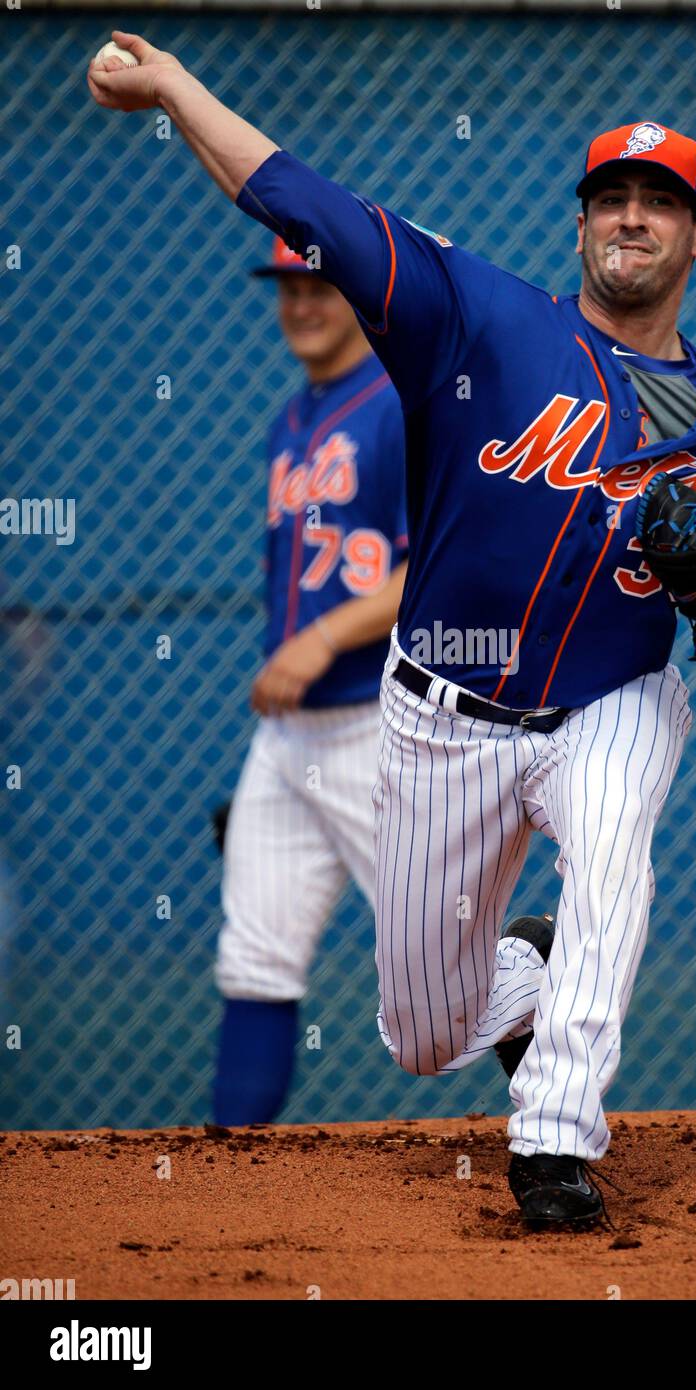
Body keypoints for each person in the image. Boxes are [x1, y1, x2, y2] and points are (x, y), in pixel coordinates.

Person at [89, 41, 696, 1225]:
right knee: (420, 1033)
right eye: (613, 198)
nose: (633, 217)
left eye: (662, 202)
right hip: (442, 711)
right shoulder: (476, 320)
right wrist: (177, 90)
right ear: (584, 223)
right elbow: (300, 199)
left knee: (615, 849)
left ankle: (552, 1141)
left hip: (610, 700)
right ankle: (523, 971)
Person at [212, 235, 408, 1125]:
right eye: (288, 287)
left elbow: (435, 568)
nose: (301, 305)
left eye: (320, 286)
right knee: (254, 956)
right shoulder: (291, 420)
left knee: (443, 970)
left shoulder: (399, 408)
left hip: (378, 728)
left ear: (360, 295)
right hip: (288, 741)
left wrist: (321, 638)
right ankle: (226, 1175)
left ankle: (554, 1136)